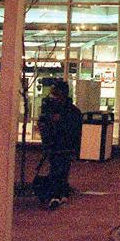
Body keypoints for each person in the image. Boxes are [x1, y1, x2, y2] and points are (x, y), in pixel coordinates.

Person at [36, 79, 82, 210]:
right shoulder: (59, 109)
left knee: (60, 169)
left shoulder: (70, 111)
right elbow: (43, 123)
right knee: (58, 169)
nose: (53, 96)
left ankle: (58, 194)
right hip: (55, 145)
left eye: (55, 93)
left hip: (63, 145)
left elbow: (75, 129)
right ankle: (59, 193)